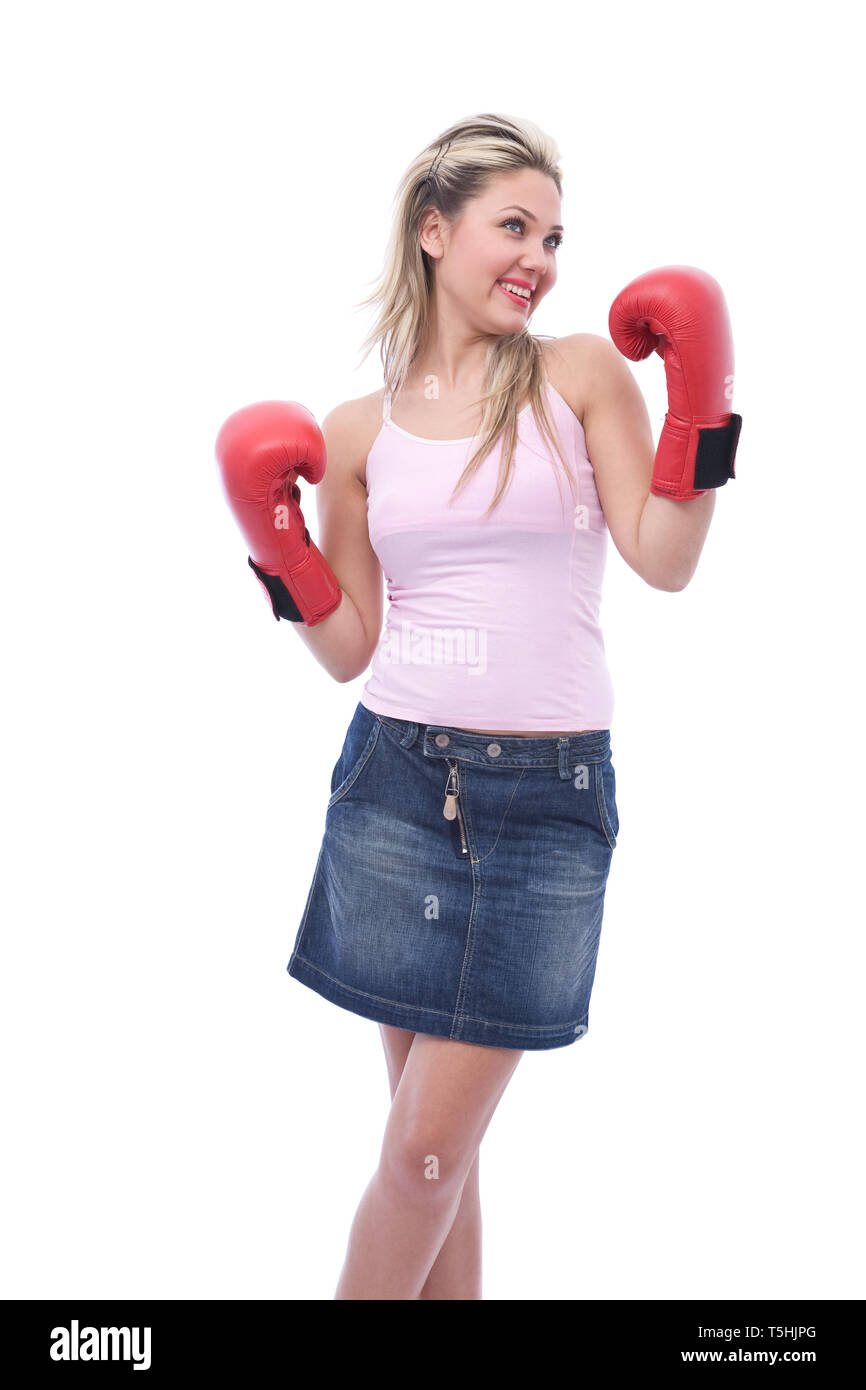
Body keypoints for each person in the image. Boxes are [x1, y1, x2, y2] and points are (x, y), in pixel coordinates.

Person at [214, 112, 741, 1300]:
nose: (540, 258)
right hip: (392, 783)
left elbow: (663, 557)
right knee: (434, 1159)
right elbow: (350, 645)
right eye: (514, 226)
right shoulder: (359, 431)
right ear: (431, 229)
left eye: (554, 236)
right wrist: (277, 550)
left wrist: (703, 409)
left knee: (422, 1153)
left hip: (544, 803)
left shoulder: (578, 376)